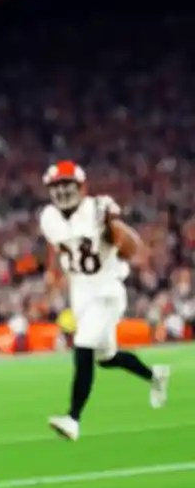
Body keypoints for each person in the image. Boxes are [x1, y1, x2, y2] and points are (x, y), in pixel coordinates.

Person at [39, 160, 170, 441]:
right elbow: (57, 247)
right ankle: (155, 375)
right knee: (106, 358)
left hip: (106, 290)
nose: (62, 191)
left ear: (81, 186)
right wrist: (53, 275)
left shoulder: (97, 209)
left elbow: (130, 248)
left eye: (67, 185)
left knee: (83, 345)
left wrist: (111, 226)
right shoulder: (49, 216)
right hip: (80, 291)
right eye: (56, 186)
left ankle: (73, 418)